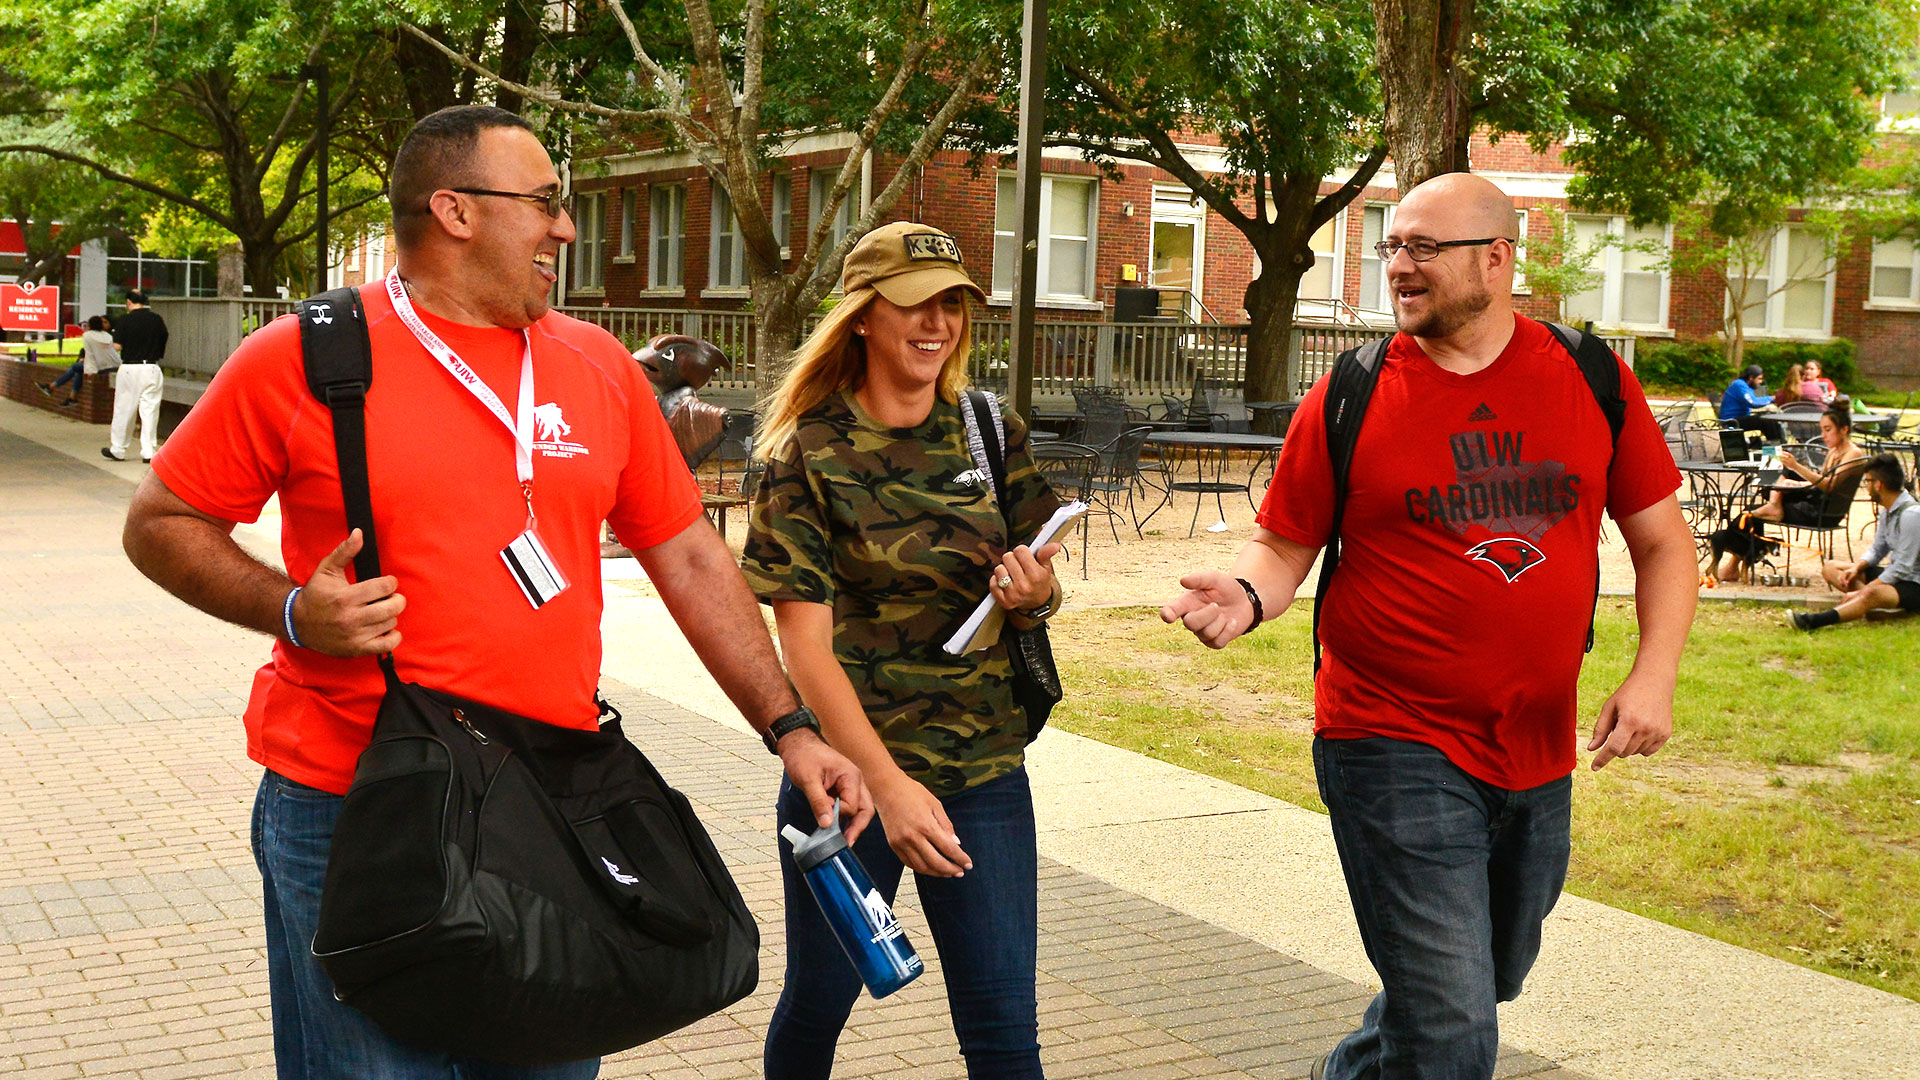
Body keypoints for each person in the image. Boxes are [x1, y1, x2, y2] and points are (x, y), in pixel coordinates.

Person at [119, 104, 872, 1080]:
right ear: (457, 211)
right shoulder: (305, 355)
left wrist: (792, 728)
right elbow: (160, 522)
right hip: (352, 804)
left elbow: (689, 557)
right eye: (546, 202)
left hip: (549, 808)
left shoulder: (598, 368)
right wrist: (292, 610)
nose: (566, 228)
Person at [1160, 174, 1697, 1080]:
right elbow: (1283, 546)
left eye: (1423, 248)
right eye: (1392, 246)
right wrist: (1246, 594)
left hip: (1536, 743)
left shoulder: (1591, 377)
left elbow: (1664, 544)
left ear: (1497, 259)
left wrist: (1654, 675)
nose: (1399, 267)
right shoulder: (1353, 392)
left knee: (1479, 981)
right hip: (1389, 737)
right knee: (1452, 1025)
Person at [741, 221, 1063, 1080]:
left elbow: (1042, 580)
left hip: (984, 775)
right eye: (917, 303)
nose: (938, 323)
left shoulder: (988, 429)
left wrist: (1035, 595)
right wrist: (888, 792)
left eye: (953, 304)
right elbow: (804, 652)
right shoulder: (806, 452)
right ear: (862, 316)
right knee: (821, 1002)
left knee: (1006, 1036)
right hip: (848, 788)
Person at [1706, 403, 1867, 582]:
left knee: (1751, 513)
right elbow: (1820, 483)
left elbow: (1829, 486)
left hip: (1822, 512)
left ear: (1844, 430)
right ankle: (1772, 505)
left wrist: (1796, 467)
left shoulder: (1853, 453)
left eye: (1828, 430)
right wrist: (1796, 484)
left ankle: (1733, 564)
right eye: (1822, 429)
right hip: (1816, 501)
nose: (1823, 435)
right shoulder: (1835, 451)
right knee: (1773, 471)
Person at [1791, 454, 1919, 629]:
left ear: (1878, 485)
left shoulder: (1911, 515)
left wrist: (1865, 589)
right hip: (1896, 576)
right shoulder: (1887, 511)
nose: (1866, 487)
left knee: (1872, 592)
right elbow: (1877, 550)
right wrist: (1856, 568)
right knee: (1831, 568)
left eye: (1867, 481)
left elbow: (1903, 567)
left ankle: (1815, 621)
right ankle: (1874, 604)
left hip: (1914, 584)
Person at [102, 290, 167, 462]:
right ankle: (149, 450)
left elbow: (117, 346)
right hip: (151, 367)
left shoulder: (125, 320)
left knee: (124, 409)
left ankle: (118, 448)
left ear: (129, 302)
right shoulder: (157, 319)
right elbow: (163, 340)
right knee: (150, 410)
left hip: (130, 368)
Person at [41, 315, 118, 407]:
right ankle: (71, 397)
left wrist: (90, 370)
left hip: (102, 366)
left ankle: (52, 387)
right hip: (113, 364)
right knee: (79, 371)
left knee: (76, 367)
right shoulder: (107, 336)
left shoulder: (88, 336)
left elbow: (90, 353)